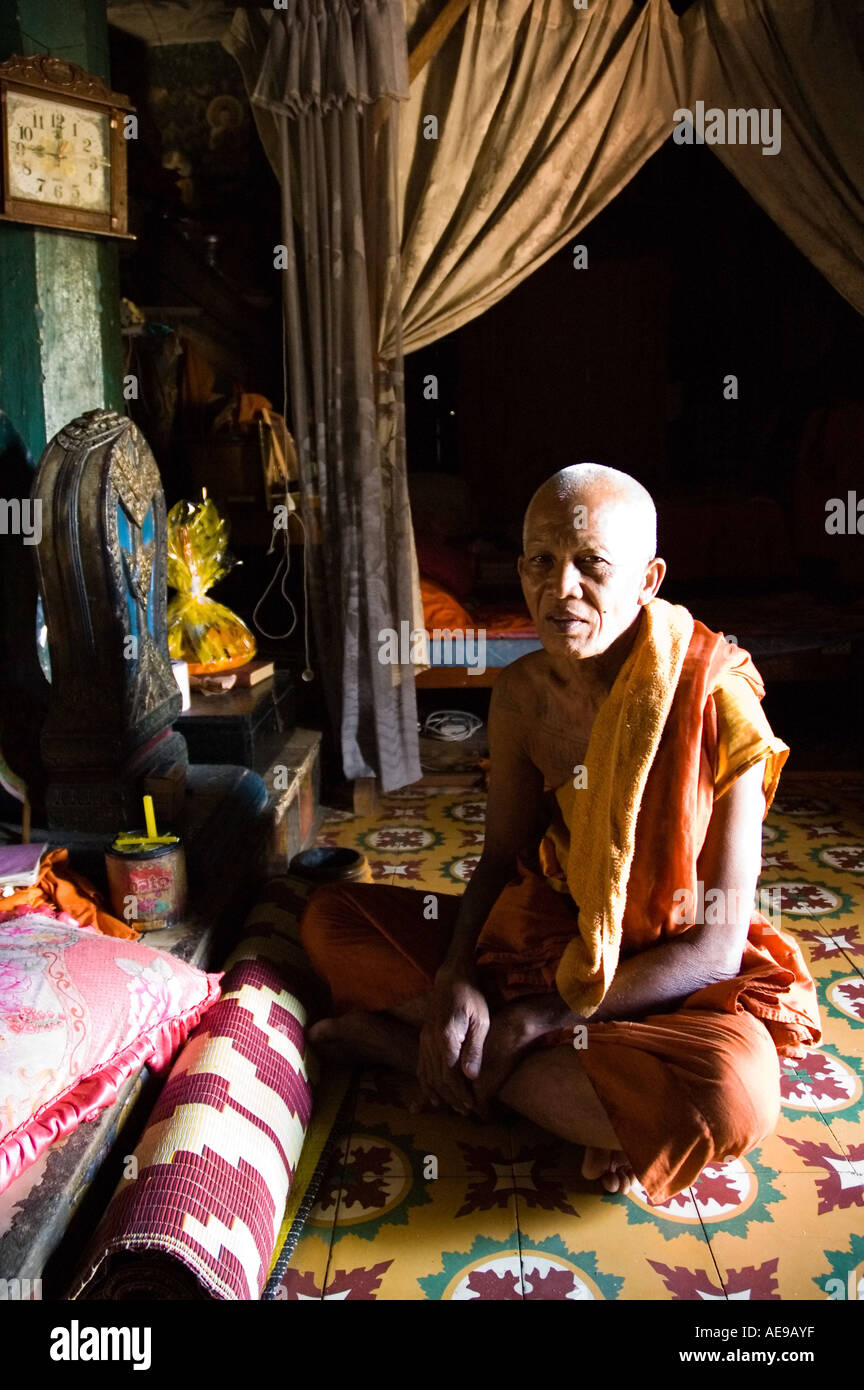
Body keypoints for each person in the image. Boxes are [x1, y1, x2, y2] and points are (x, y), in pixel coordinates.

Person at [300, 464, 820, 1202]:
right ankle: (591, 1108)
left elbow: (715, 947)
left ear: (648, 579)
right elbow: (500, 858)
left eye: (591, 565)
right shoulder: (521, 695)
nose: (561, 589)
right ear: (519, 570)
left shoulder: (716, 694)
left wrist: (527, 1023)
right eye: (541, 563)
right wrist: (456, 979)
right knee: (329, 919)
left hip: (667, 981)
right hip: (550, 946)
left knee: (729, 1095)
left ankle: (423, 1052)